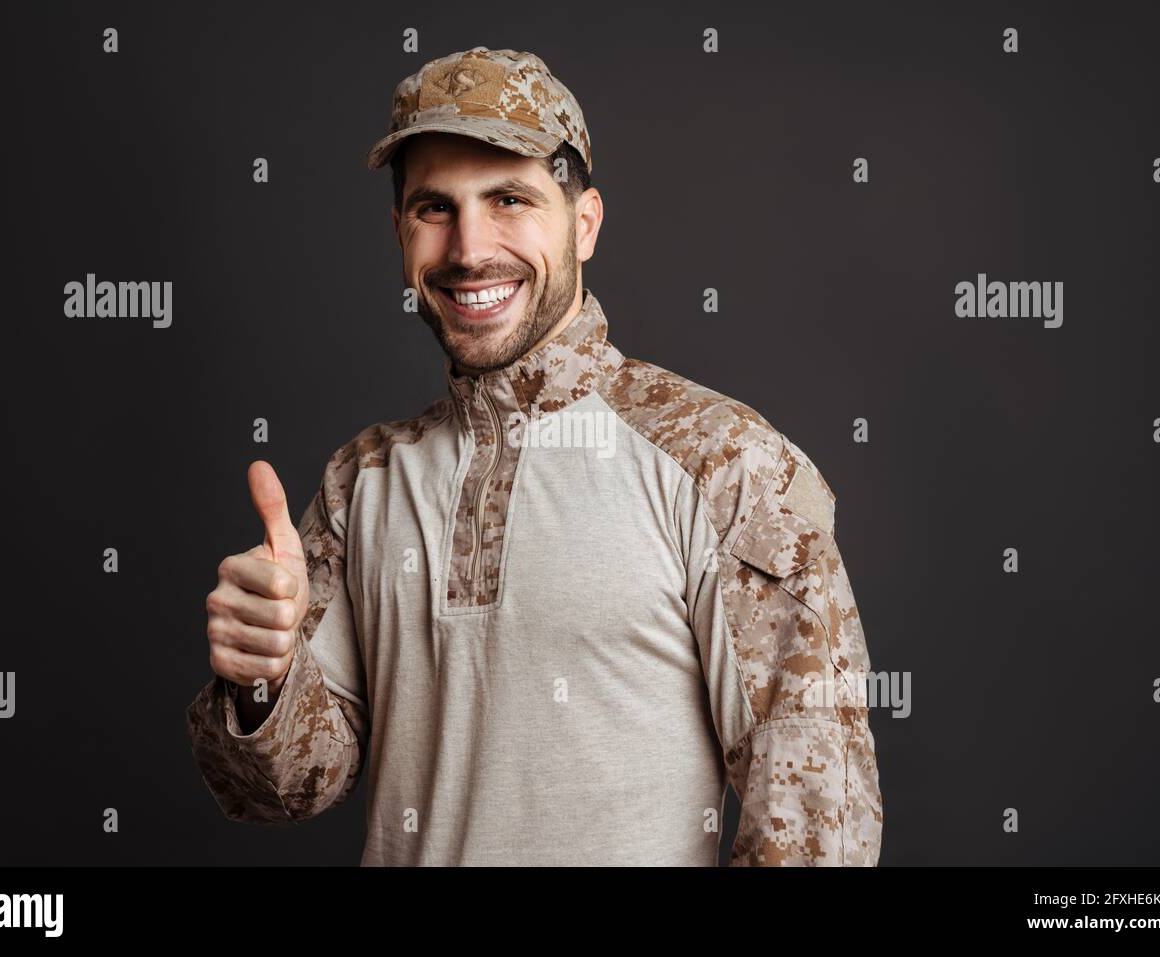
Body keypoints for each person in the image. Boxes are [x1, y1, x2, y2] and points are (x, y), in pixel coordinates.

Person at [186, 46, 883, 866]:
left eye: (510, 198)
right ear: (400, 232)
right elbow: (288, 787)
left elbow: (816, 823)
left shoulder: (724, 462)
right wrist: (263, 677)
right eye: (434, 209)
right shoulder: (361, 480)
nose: (469, 248)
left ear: (583, 222)